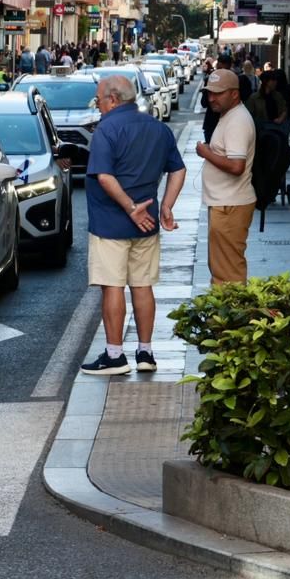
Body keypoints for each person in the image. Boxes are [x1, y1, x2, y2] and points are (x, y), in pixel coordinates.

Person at [79, 73, 187, 376]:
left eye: (99, 100)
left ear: (113, 100)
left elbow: (104, 176)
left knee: (112, 286)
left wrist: (130, 208)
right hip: (147, 224)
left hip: (110, 224)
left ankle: (114, 356)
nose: (98, 105)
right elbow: (178, 170)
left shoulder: (107, 130)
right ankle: (145, 352)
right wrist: (166, 206)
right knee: (142, 286)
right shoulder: (158, 128)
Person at [197, 69, 256, 283]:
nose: (212, 98)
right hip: (225, 203)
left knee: (227, 274)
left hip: (230, 205)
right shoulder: (228, 116)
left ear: (234, 94)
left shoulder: (237, 121)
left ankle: (230, 315)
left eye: (218, 93)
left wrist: (206, 153)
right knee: (222, 269)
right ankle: (225, 313)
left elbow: (236, 166)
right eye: (209, 92)